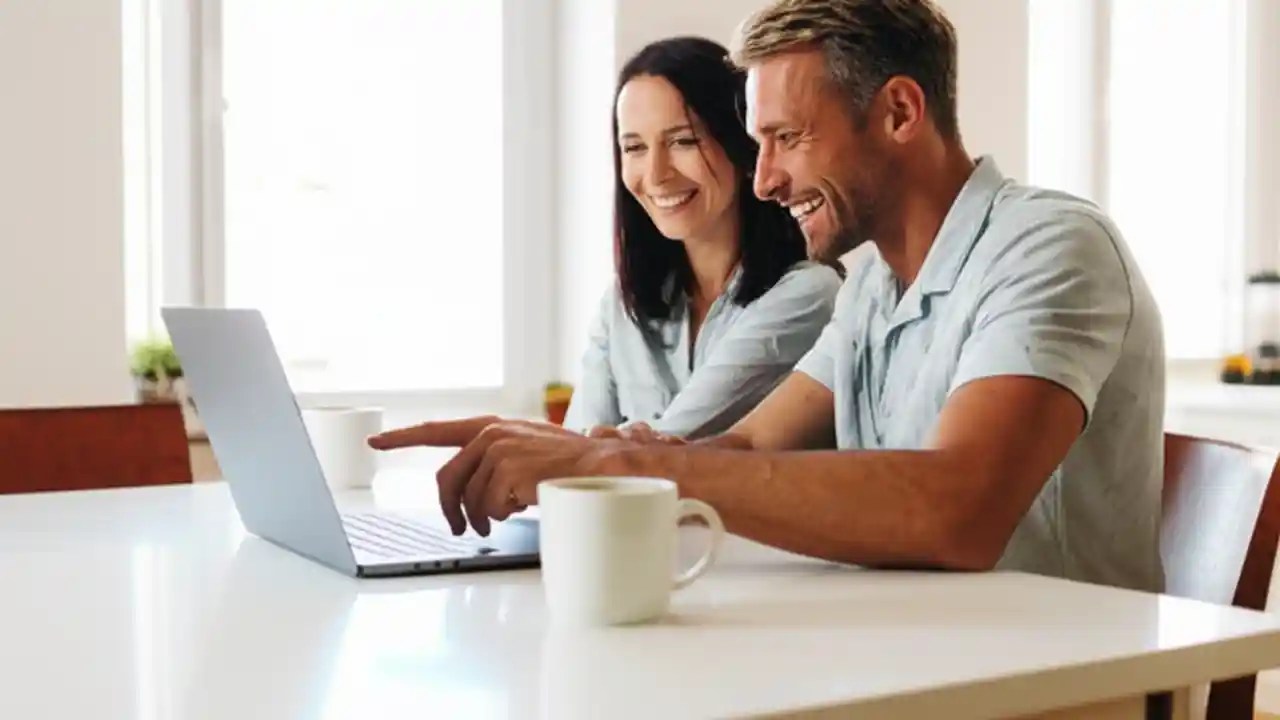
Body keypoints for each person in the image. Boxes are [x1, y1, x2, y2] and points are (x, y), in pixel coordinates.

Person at [369, 0, 1166, 593]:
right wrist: (574, 456)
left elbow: (955, 509)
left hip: (1056, 683)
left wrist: (611, 459)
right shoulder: (876, 289)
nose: (765, 180)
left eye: (788, 138)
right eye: (760, 145)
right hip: (913, 656)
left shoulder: (1049, 246)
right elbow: (747, 446)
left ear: (897, 111)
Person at [562, 36, 841, 439]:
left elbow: (672, 446)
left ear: (742, 148)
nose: (656, 175)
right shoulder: (621, 307)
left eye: (682, 141)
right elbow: (571, 457)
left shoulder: (810, 294)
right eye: (635, 147)